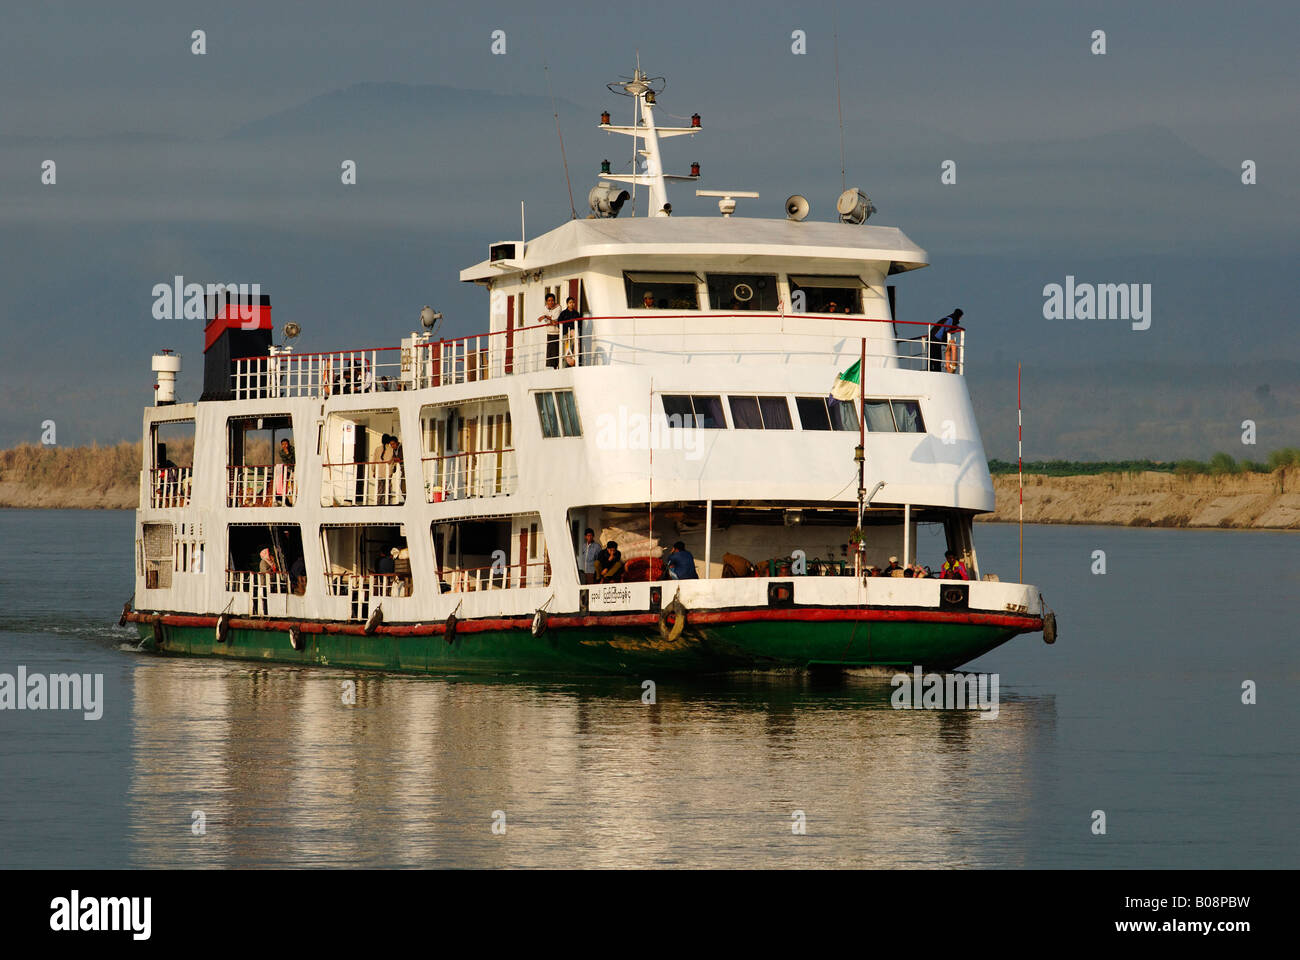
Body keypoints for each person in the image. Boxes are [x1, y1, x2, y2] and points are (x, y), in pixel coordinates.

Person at [557, 295, 582, 367]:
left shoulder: (576, 313)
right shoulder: (563, 313)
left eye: (573, 302)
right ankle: (563, 366)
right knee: (566, 352)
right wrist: (567, 332)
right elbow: (559, 324)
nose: (572, 304)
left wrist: (573, 331)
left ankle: (574, 363)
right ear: (567, 304)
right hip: (566, 335)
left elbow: (579, 324)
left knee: (574, 350)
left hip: (574, 335)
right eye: (570, 302)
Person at [539, 293, 561, 369]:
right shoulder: (545, 308)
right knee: (551, 353)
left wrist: (546, 316)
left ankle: (558, 366)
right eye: (549, 301)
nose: (550, 302)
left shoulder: (558, 307)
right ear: (546, 302)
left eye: (552, 300)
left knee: (557, 351)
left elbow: (555, 319)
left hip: (557, 332)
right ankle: (554, 368)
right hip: (549, 332)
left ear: (554, 301)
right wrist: (550, 319)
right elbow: (549, 321)